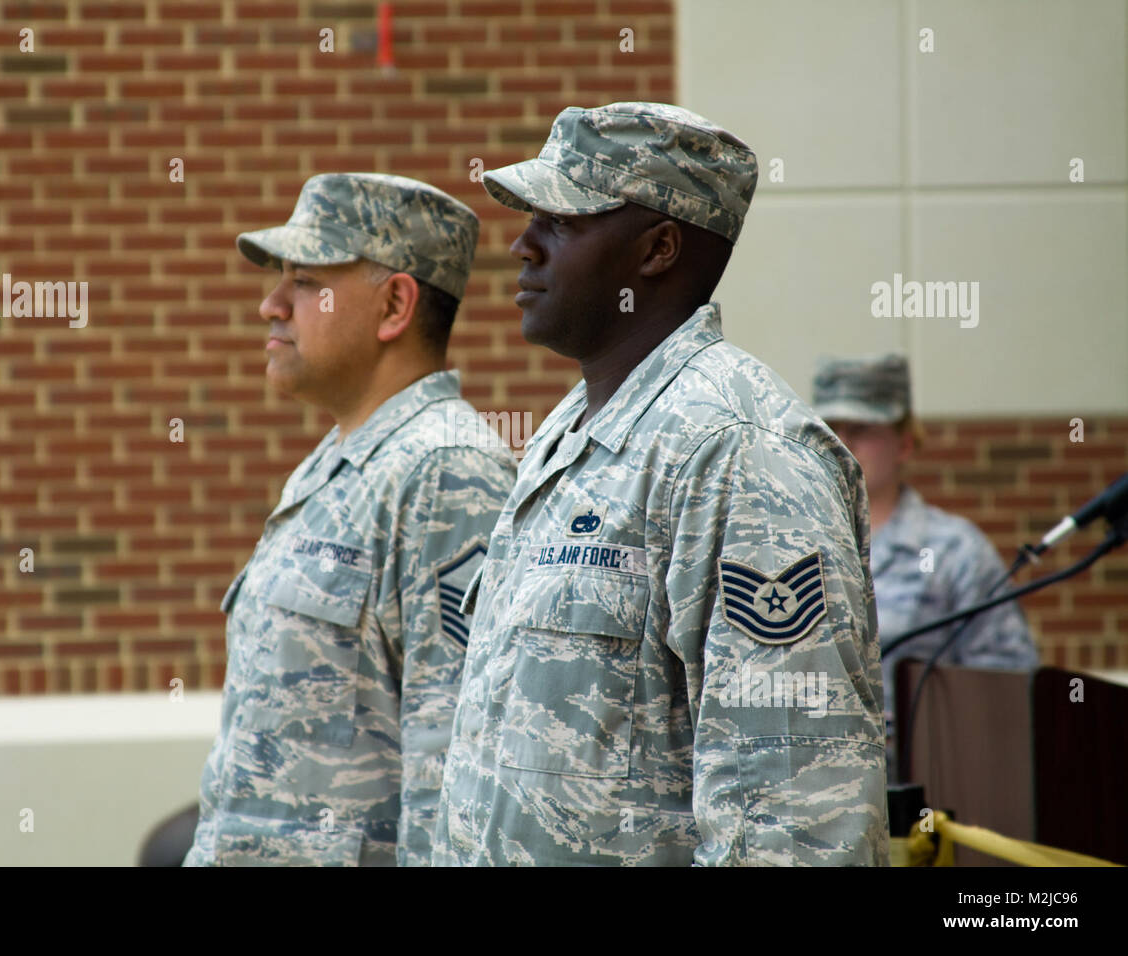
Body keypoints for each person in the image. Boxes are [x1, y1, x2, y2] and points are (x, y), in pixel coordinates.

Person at [432, 102, 889, 866]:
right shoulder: (568, 433)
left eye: (563, 222)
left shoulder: (738, 452)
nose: (523, 246)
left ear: (658, 249)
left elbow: (793, 821)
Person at [184, 173, 516, 866]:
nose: (269, 305)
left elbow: (452, 769)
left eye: (305, 281)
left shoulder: (445, 472)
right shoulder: (338, 462)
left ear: (395, 304)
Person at [812, 353, 1039, 766]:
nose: (841, 443)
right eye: (829, 428)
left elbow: (1010, 689)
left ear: (905, 442)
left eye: (861, 428)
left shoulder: (955, 551)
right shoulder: (793, 544)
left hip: (924, 795)